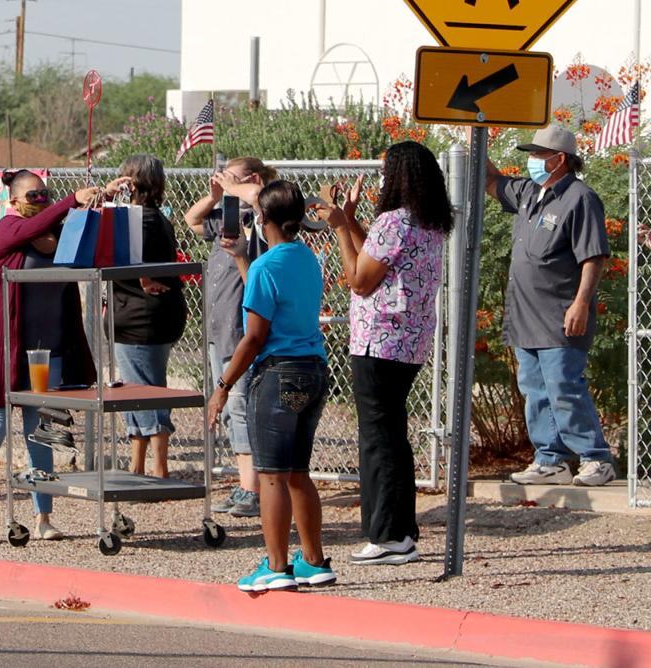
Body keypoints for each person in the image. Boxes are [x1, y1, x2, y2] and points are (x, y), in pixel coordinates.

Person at [0, 169, 126, 546]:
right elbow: (46, 221)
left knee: (41, 434)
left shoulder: (57, 233)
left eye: (45, 195)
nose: (42, 202)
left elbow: (80, 223)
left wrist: (102, 197)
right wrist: (71, 201)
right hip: (5, 346)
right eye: (33, 196)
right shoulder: (8, 230)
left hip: (45, 351)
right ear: (14, 201)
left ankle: (43, 517)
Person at [315, 142, 452, 566]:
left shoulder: (394, 221)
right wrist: (353, 221)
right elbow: (378, 257)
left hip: (379, 343)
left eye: (384, 172)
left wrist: (339, 226)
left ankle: (389, 535)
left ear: (398, 177)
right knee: (391, 434)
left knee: (379, 439)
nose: (379, 180)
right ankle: (401, 530)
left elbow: (358, 279)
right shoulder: (428, 223)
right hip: (408, 344)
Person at [207, 180, 334, 593]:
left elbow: (255, 337)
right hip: (313, 369)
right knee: (298, 472)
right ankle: (313, 560)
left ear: (261, 218)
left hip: (278, 375)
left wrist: (223, 385)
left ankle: (277, 567)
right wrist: (246, 257)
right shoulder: (306, 258)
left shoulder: (265, 266)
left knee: (273, 476)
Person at [484, 125, 614, 487]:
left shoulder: (580, 198)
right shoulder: (529, 193)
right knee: (535, 390)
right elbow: (491, 179)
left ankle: (595, 458)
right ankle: (550, 460)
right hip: (526, 316)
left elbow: (593, 258)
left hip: (560, 315)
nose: (532, 161)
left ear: (559, 160)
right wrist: (473, 135)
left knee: (564, 387)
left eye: (539, 155)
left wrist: (581, 305)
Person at [184, 156, 276, 517]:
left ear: (251, 178)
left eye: (231, 178)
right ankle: (244, 486)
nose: (224, 185)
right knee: (228, 412)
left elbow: (258, 196)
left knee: (240, 407)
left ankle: (252, 489)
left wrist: (235, 187)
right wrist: (214, 195)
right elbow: (192, 220)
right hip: (218, 330)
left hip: (242, 331)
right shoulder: (227, 214)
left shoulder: (260, 214)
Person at [113, 154, 187, 479]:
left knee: (146, 389)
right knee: (137, 389)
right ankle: (137, 464)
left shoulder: (139, 220)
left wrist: (142, 276)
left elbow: (129, 259)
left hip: (142, 319)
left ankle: (159, 469)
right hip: (142, 316)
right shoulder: (154, 217)